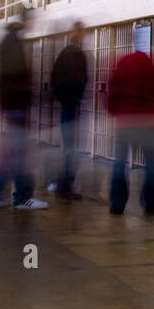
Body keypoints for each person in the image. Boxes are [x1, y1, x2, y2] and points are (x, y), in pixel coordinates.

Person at [0, 7, 47, 210]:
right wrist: (26, 94)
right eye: (32, 20)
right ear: (26, 19)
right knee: (19, 153)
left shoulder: (9, 40)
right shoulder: (13, 43)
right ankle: (22, 197)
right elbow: (14, 76)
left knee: (10, 153)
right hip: (16, 104)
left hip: (12, 103)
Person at [107, 47, 154, 216]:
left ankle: (117, 204)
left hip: (126, 121)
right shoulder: (149, 67)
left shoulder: (123, 64)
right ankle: (151, 203)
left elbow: (113, 89)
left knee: (120, 162)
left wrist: (113, 110)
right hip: (147, 122)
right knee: (150, 164)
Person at [51, 27, 87, 199]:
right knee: (71, 147)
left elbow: (54, 78)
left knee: (68, 146)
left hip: (67, 103)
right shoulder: (77, 54)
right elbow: (81, 79)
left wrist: (61, 97)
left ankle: (63, 184)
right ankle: (65, 186)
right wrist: (75, 97)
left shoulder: (63, 54)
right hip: (71, 104)